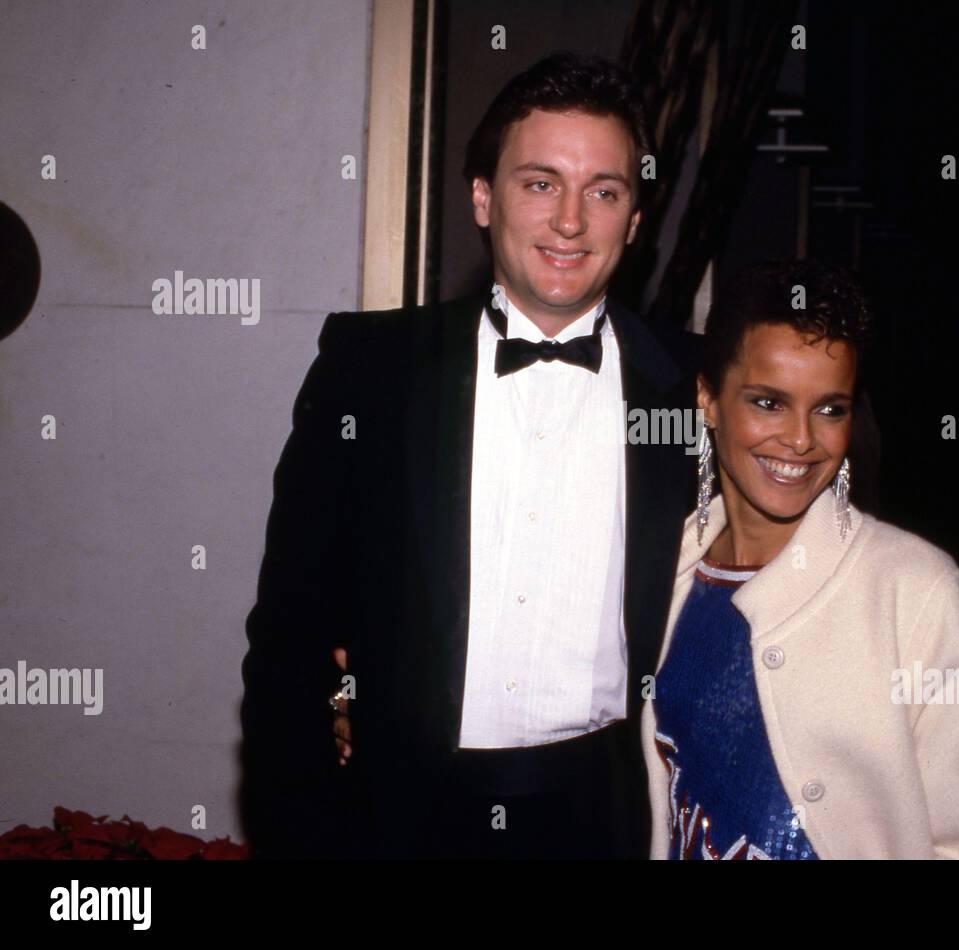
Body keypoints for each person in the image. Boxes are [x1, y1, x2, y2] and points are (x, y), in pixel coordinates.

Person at [239, 52, 697, 859]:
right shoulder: (371, 368)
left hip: (610, 813)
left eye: (604, 192)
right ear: (483, 198)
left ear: (634, 220)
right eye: (539, 182)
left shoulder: (694, 389)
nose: (569, 222)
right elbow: (290, 629)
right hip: (397, 817)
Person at [641, 259, 959, 859]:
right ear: (708, 400)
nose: (800, 439)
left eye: (829, 408)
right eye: (768, 402)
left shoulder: (915, 589)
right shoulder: (665, 571)